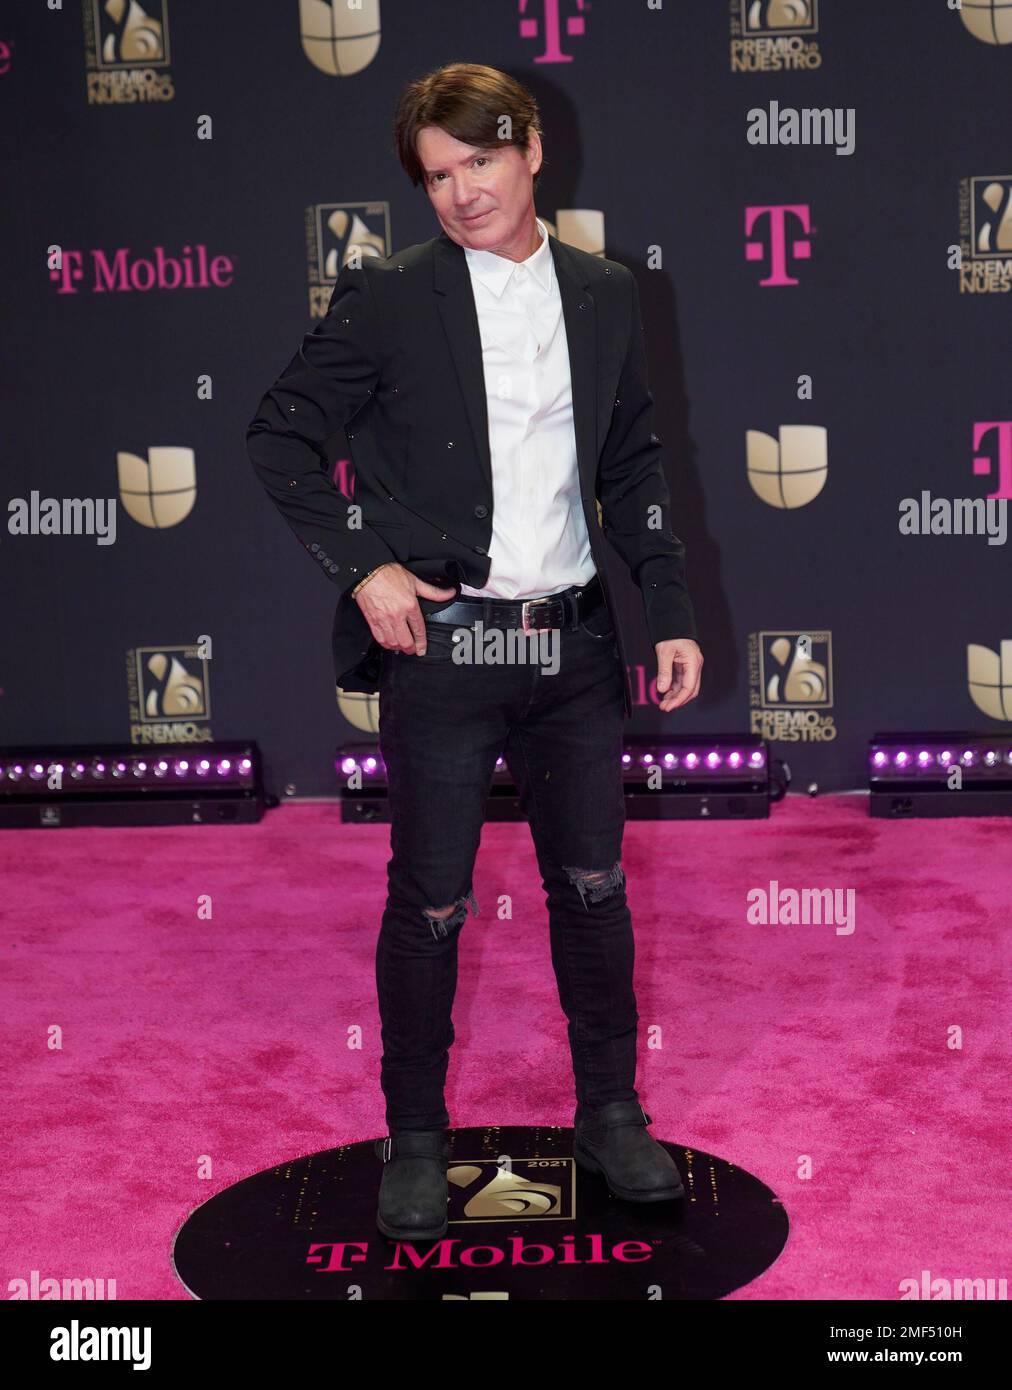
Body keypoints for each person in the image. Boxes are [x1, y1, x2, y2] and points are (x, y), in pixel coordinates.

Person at [246, 62, 703, 1242]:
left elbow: (632, 463)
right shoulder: (390, 295)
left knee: (593, 888)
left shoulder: (605, 292)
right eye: (438, 175)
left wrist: (670, 606)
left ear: (531, 150)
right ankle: (415, 1138)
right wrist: (364, 565)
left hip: (575, 650)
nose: (462, 192)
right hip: (444, 658)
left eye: (481, 161)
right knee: (432, 902)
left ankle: (610, 1112)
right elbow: (279, 433)